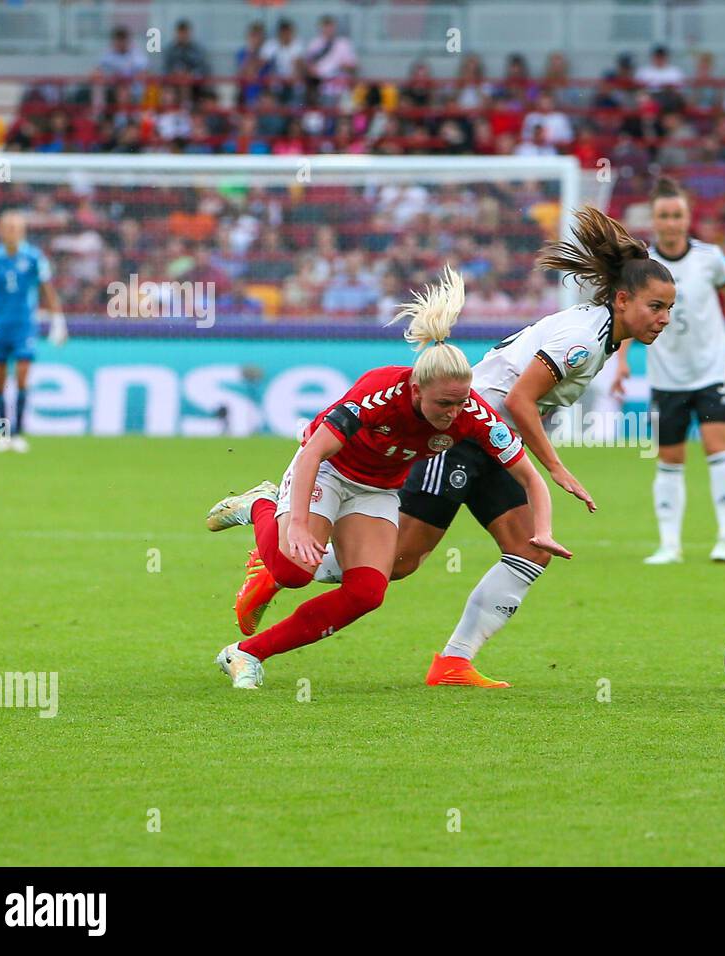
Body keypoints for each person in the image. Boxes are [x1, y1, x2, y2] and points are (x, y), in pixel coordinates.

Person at [239, 208, 675, 688]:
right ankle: (279, 557)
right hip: (457, 438)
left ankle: (453, 661)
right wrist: (556, 468)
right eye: (656, 307)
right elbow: (519, 400)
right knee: (398, 564)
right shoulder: (582, 341)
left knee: (530, 549)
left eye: (668, 309)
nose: (664, 318)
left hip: (493, 448)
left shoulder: (603, 331)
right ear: (622, 299)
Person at [204, 267, 568, 690]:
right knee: (293, 571)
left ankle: (247, 654)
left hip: (376, 490)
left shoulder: (473, 415)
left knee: (367, 593)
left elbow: (530, 478)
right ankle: (260, 504)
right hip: (330, 470)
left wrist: (542, 530)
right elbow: (314, 451)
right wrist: (298, 522)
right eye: (444, 404)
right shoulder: (380, 393)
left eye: (462, 401)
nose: (454, 413)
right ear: (416, 390)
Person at [613, 177, 725, 564]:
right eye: (664, 216)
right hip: (666, 377)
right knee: (670, 459)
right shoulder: (642, 268)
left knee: (717, 449)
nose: (671, 222)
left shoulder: (709, 257)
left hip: (711, 371)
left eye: (677, 215)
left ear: (687, 218)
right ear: (654, 220)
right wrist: (622, 360)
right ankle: (670, 545)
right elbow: (629, 316)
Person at [0, 210, 67, 453]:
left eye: (16, 228)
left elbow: (47, 290)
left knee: (21, 375)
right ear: (0, 230)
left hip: (24, 326)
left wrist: (58, 321)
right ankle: (3, 434)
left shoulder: (33, 258)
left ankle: (18, 432)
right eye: (7, 227)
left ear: (22, 231)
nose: (11, 232)